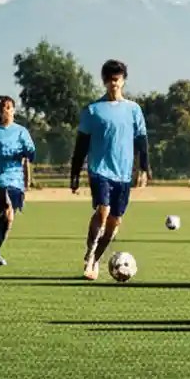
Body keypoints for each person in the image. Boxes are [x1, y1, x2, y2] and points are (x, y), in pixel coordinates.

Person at [70, 59, 150, 281]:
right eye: (110, 78)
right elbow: (81, 144)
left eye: (118, 77)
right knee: (103, 210)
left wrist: (144, 167)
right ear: (104, 81)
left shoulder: (134, 110)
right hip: (99, 170)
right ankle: (90, 259)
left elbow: (141, 140)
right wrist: (75, 173)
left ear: (123, 80)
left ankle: (95, 258)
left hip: (123, 173)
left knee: (115, 220)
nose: (114, 82)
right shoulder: (93, 110)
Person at [0, 95, 36, 266]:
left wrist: (28, 153)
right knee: (6, 207)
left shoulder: (21, 132)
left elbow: (30, 155)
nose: (5, 111)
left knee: (6, 217)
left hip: (16, 180)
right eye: (2, 108)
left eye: (8, 107)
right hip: (1, 178)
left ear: (13, 110)